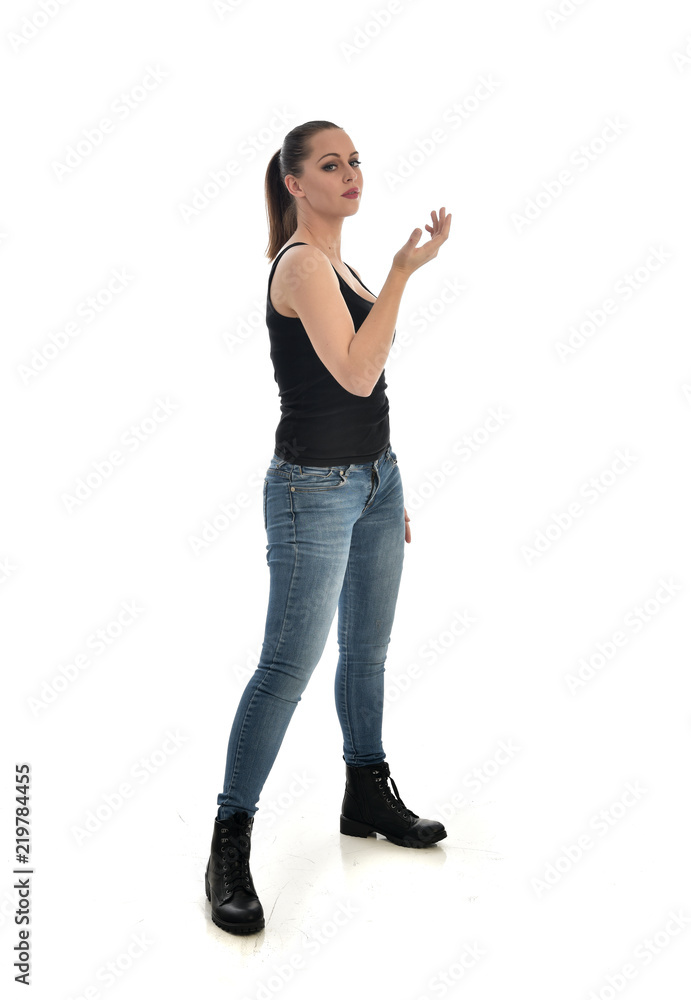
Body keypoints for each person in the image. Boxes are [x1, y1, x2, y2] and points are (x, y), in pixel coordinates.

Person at [205, 120, 453, 934]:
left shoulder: (333, 260)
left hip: (374, 480)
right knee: (286, 666)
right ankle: (229, 840)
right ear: (294, 183)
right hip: (313, 492)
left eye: (355, 161)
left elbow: (359, 390)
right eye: (329, 164)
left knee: (368, 650)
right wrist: (401, 274)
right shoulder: (306, 265)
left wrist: (385, 484)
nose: (349, 174)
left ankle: (364, 791)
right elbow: (355, 370)